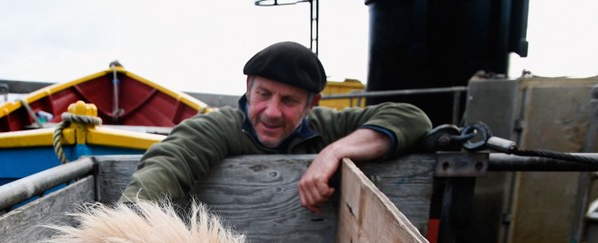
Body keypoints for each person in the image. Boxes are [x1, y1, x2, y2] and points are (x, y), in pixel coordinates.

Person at [120, 41, 432, 213]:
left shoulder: (329, 126)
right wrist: (130, 223)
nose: (271, 112)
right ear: (248, 87)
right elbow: (172, 159)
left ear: (312, 103)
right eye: (263, 95)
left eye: (289, 101)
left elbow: (410, 118)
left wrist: (334, 152)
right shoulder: (220, 127)